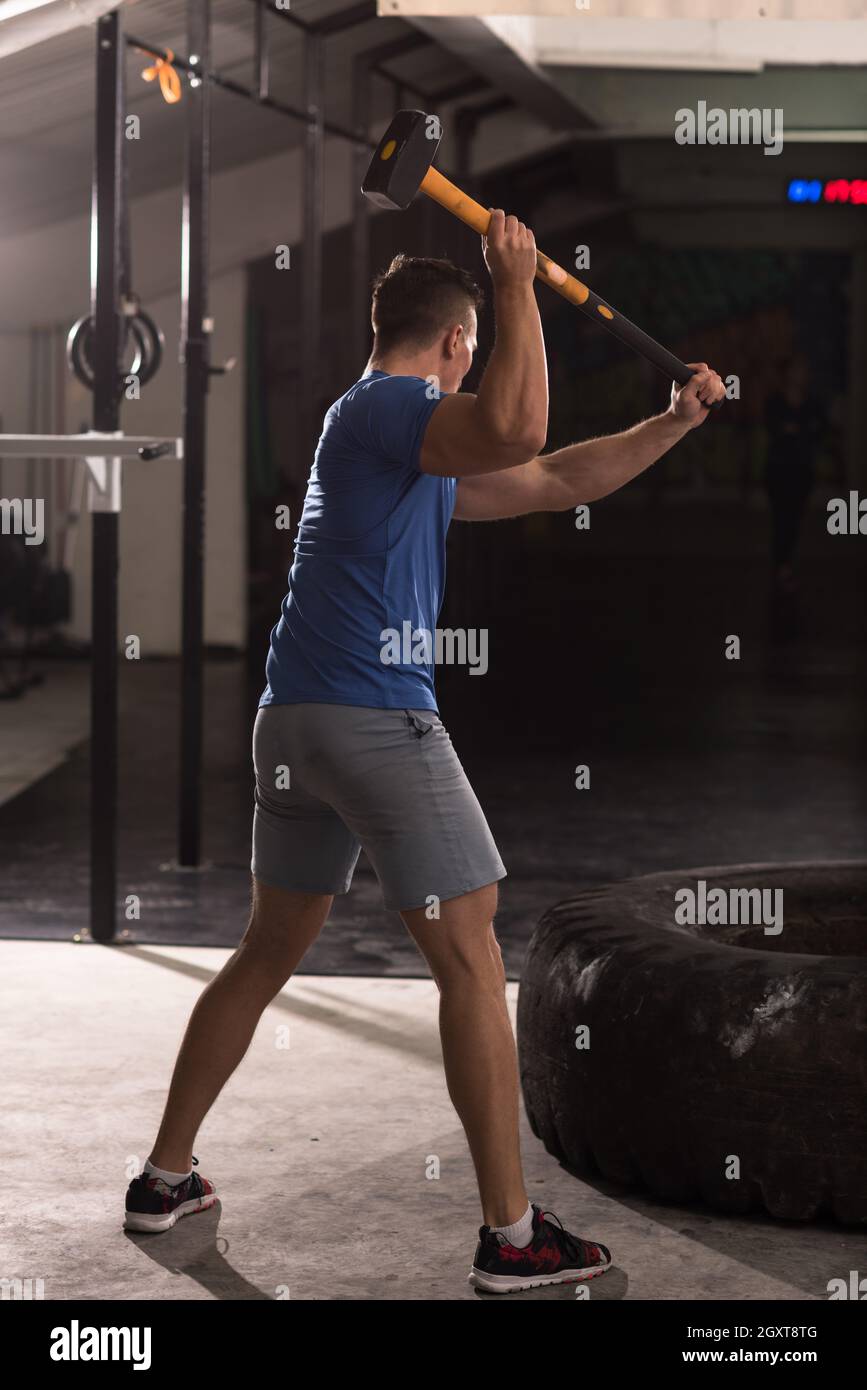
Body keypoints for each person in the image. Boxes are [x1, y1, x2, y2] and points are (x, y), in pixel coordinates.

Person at [124, 211, 725, 1293]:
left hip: (294, 722)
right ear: (454, 343)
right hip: (372, 718)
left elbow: (552, 477)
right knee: (470, 954)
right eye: (472, 345)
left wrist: (669, 423)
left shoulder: (388, 436)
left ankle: (166, 1178)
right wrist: (518, 283)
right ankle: (512, 1235)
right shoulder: (400, 409)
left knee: (267, 950)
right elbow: (516, 428)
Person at [764, 353, 825, 592]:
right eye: (797, 369)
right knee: (781, 519)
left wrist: (794, 430)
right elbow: (776, 429)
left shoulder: (812, 402)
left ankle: (784, 564)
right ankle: (782, 566)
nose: (801, 374)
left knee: (794, 520)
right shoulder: (776, 401)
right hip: (779, 470)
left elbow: (819, 430)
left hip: (802, 470)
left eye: (803, 369)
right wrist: (799, 430)